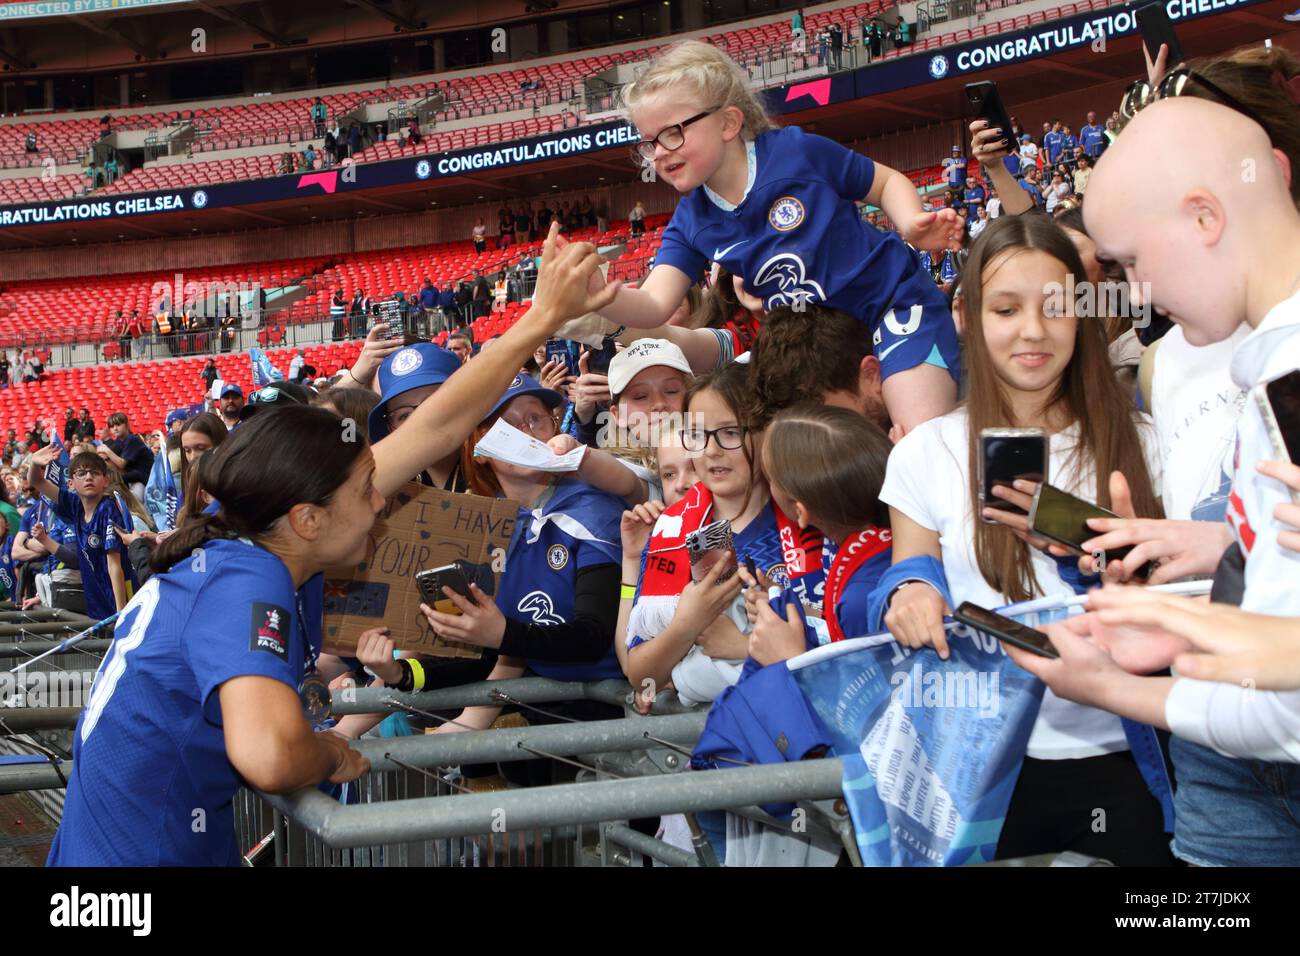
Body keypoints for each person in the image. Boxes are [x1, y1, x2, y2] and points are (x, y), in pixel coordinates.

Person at [879, 214, 1173, 865]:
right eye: (1006, 308)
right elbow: (912, 564)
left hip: (1131, 754)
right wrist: (911, 592)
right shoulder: (927, 452)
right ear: (970, 315)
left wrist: (1073, 534)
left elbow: (1186, 589)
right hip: (987, 765)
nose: (1032, 331)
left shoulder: (1148, 442)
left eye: (1056, 307)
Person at [610, 40, 962, 434]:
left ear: (728, 122)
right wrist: (598, 297)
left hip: (892, 307)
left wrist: (911, 220)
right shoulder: (690, 221)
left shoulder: (796, 152)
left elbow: (884, 183)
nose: (658, 153)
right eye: (648, 143)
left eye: (672, 133)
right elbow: (653, 303)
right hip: (818, 352)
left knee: (919, 437)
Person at [749, 405, 893, 661]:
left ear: (800, 511)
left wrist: (788, 659)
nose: (768, 487)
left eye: (770, 480)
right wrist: (786, 606)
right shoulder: (854, 539)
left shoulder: (862, 601)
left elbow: (861, 692)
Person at [27, 448, 132, 621]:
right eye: (81, 473)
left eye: (95, 473)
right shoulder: (75, 505)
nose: (88, 477)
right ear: (71, 483)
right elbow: (36, 481)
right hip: (95, 598)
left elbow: (114, 565)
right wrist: (34, 462)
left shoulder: (108, 509)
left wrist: (121, 612)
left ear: (105, 481)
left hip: (120, 596)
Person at [367, 343, 467, 491]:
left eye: (431, 404)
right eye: (404, 415)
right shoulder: (390, 487)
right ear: (390, 428)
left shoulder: (503, 474)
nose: (420, 422)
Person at [99, 413, 154, 502]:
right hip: (134, 476)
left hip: (145, 476)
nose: (115, 428)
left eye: (118, 425)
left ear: (127, 425)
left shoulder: (132, 439)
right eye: (112, 427)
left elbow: (122, 464)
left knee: (116, 479)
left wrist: (106, 450)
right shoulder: (119, 441)